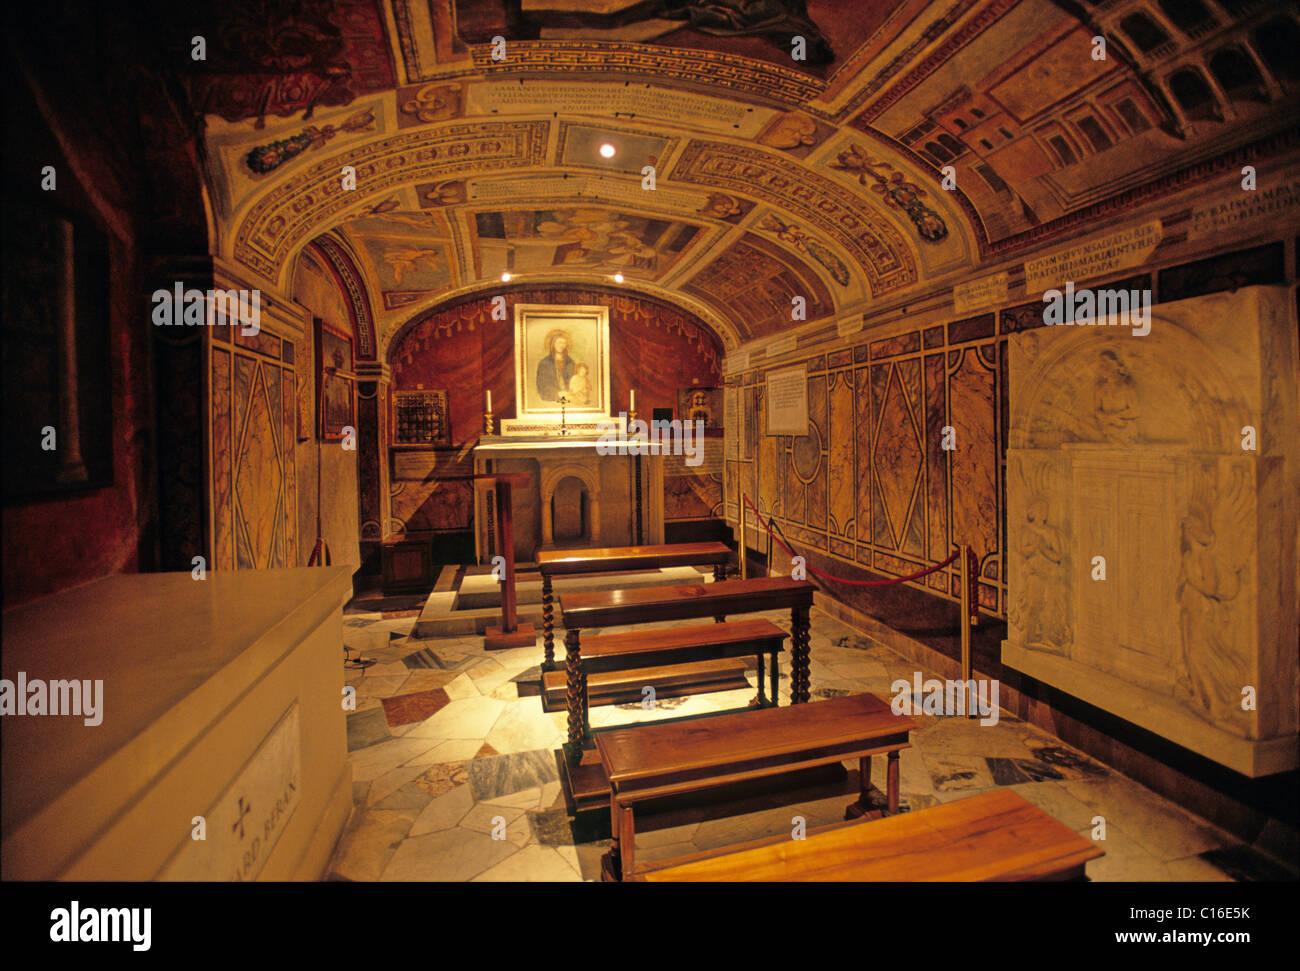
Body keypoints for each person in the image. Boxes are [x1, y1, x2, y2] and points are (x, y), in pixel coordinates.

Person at [536, 332, 577, 402]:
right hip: (551, 398)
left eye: (564, 343)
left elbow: (575, 381)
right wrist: (557, 393)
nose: (561, 345)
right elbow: (542, 384)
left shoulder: (570, 362)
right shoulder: (544, 363)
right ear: (553, 344)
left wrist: (572, 391)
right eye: (559, 342)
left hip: (570, 397)